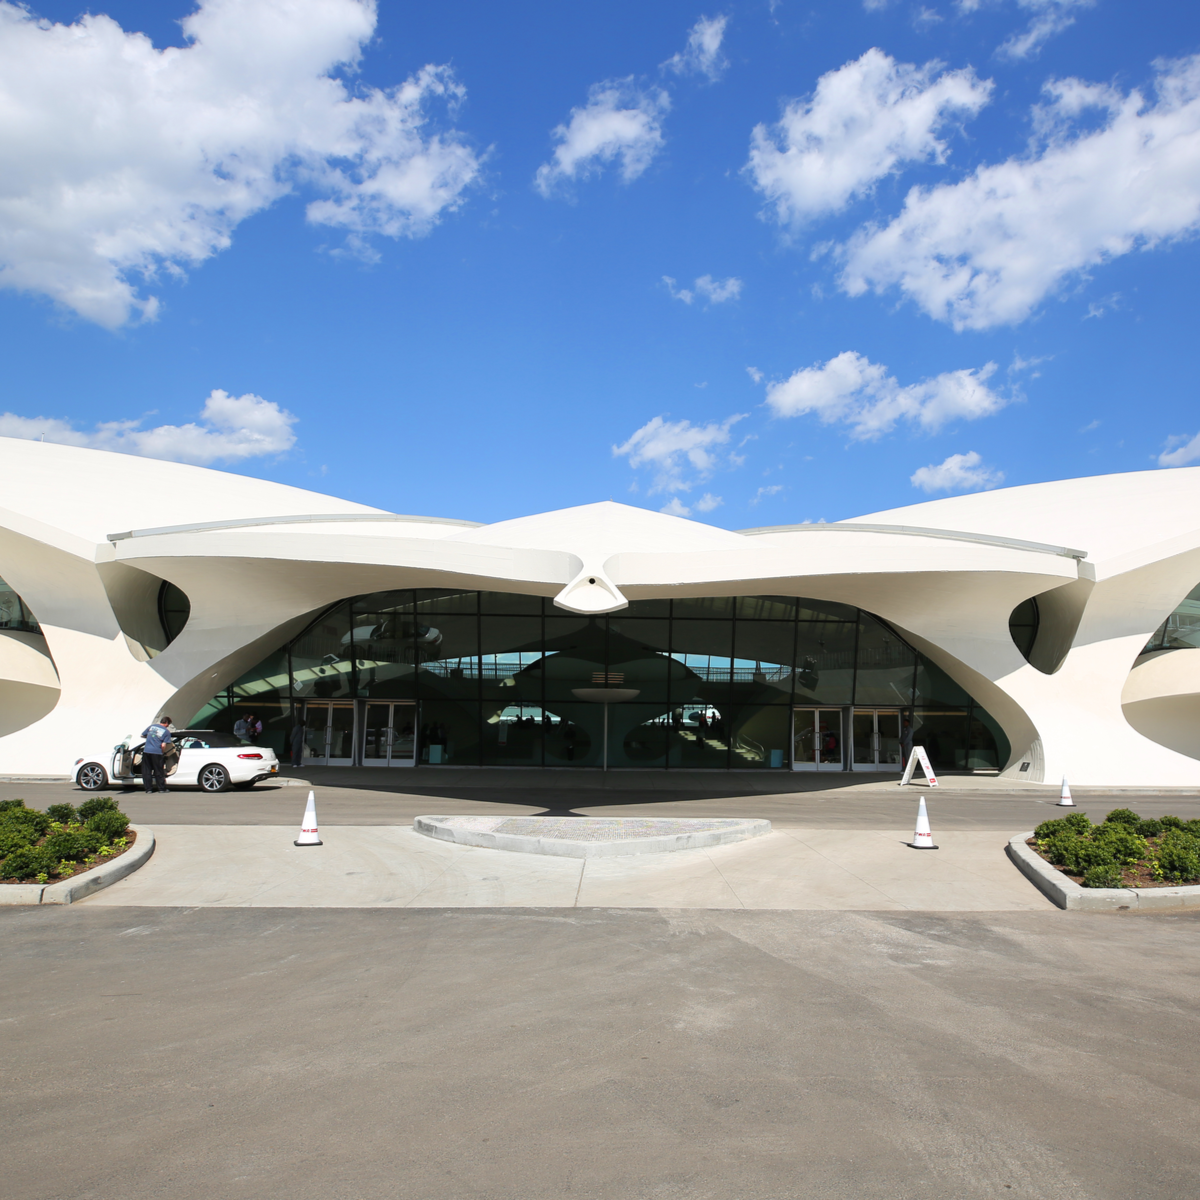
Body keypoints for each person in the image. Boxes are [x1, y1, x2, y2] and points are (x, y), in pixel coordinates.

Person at [140, 715, 174, 793]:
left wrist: (151, 737)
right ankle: (161, 789)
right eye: (168, 724)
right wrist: (162, 752)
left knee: (146, 771)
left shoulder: (151, 727)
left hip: (146, 752)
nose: (168, 726)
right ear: (166, 723)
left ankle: (148, 789)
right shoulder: (166, 732)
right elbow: (163, 745)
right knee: (158, 771)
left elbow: (142, 735)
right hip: (157, 752)